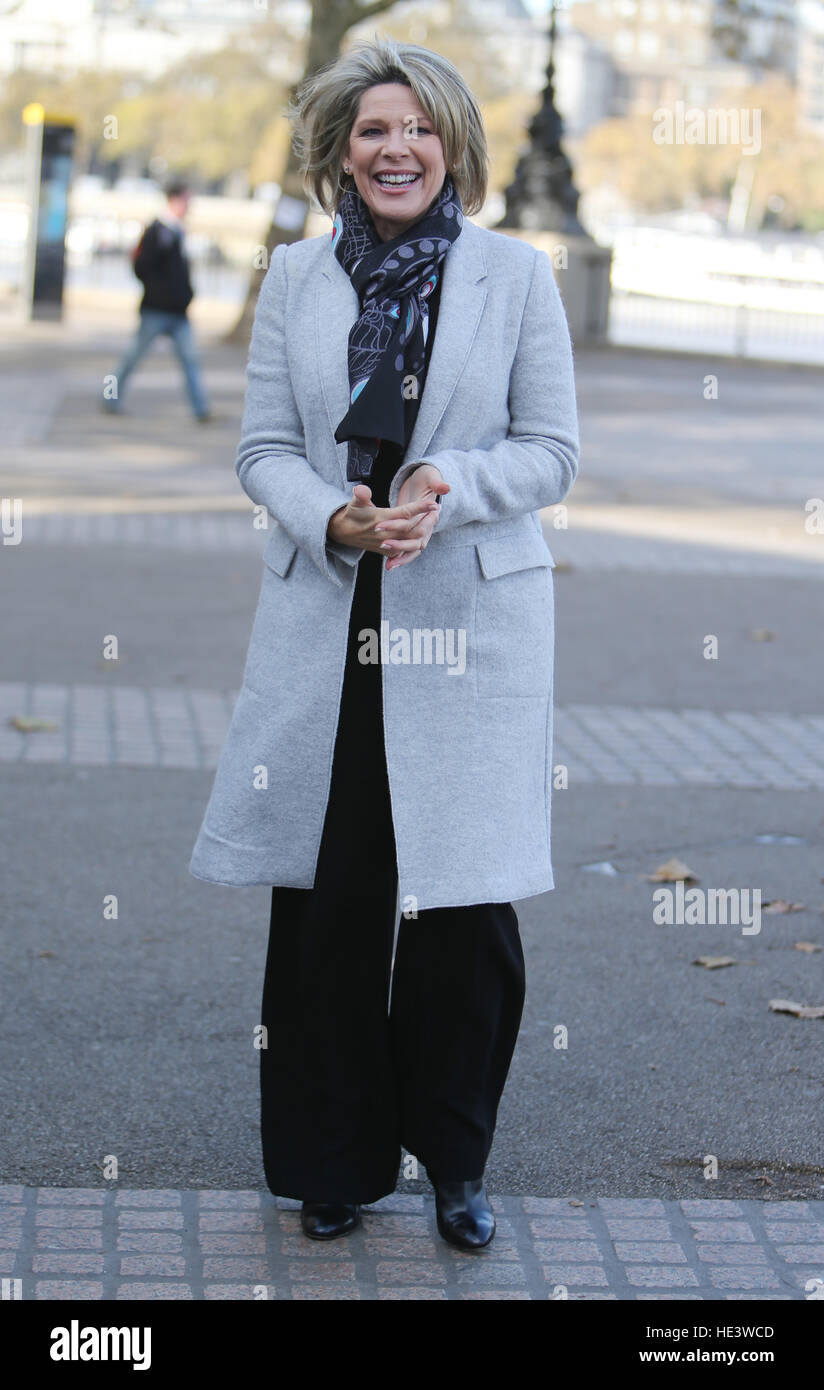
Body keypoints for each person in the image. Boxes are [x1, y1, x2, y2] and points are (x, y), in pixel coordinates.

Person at [188, 38, 580, 1250]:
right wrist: (332, 513)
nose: (394, 148)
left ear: (452, 146)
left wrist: (446, 480)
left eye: (416, 129)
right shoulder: (298, 279)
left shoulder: (515, 275)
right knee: (327, 897)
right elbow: (260, 450)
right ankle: (333, 1161)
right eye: (371, 131)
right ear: (338, 154)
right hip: (331, 614)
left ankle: (454, 1164)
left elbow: (552, 452)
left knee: (464, 917)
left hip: (467, 620)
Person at [103, 179, 212, 421]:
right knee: (134, 356)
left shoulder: (176, 231)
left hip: (178, 311)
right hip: (157, 310)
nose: (189, 206)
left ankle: (200, 409)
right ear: (174, 201)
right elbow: (141, 266)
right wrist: (159, 291)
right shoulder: (157, 231)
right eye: (186, 201)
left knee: (190, 360)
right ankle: (110, 398)